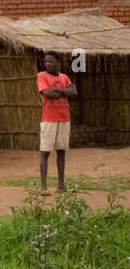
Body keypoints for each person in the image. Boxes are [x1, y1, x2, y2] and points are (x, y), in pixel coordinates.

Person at [37, 51, 77, 194]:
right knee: (45, 152)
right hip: (49, 119)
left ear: (58, 62)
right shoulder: (41, 76)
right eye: (46, 61)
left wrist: (56, 90)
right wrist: (64, 91)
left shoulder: (64, 77)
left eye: (51, 61)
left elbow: (74, 92)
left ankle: (61, 185)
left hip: (64, 118)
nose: (48, 64)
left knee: (61, 151)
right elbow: (47, 94)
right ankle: (44, 187)